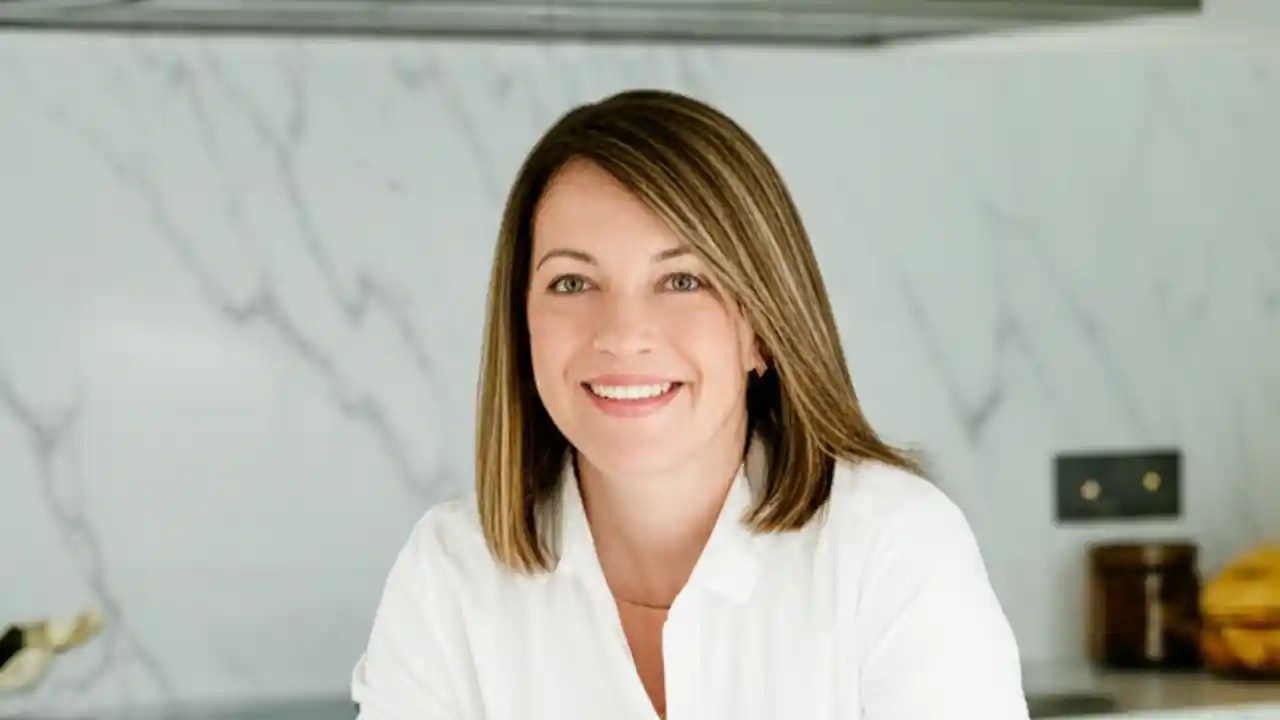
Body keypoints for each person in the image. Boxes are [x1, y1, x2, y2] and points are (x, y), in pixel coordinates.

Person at [351, 89, 1029, 719]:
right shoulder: (450, 571)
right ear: (520, 320)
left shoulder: (893, 549)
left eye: (681, 279)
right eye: (572, 281)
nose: (621, 334)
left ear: (763, 328)